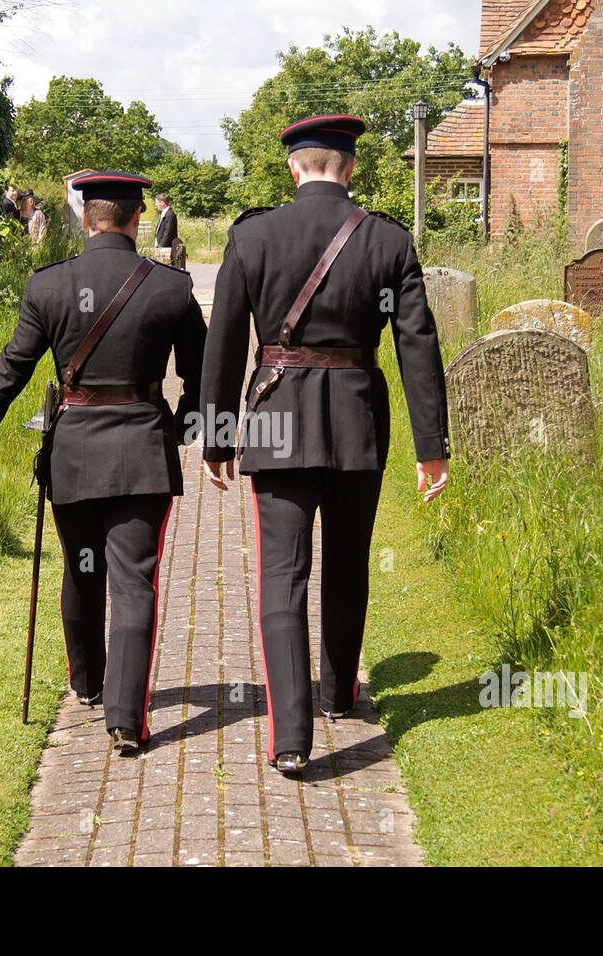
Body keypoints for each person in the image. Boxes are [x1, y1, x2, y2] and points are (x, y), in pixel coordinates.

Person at [198, 114, 451, 775]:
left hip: (276, 419)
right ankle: (339, 693)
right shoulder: (387, 241)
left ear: (293, 167)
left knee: (282, 575)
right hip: (356, 422)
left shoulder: (253, 236)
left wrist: (217, 435)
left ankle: (290, 737)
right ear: (352, 168)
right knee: (347, 563)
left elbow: (223, 341)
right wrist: (434, 445)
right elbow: (416, 344)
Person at [0, 171, 207, 753]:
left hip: (72, 451)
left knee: (82, 568)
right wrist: (185, 426)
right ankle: (125, 718)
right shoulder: (171, 289)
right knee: (135, 581)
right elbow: (203, 372)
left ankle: (87, 683)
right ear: (137, 216)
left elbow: (12, 368)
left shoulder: (49, 285)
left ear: (86, 217)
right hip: (144, 449)